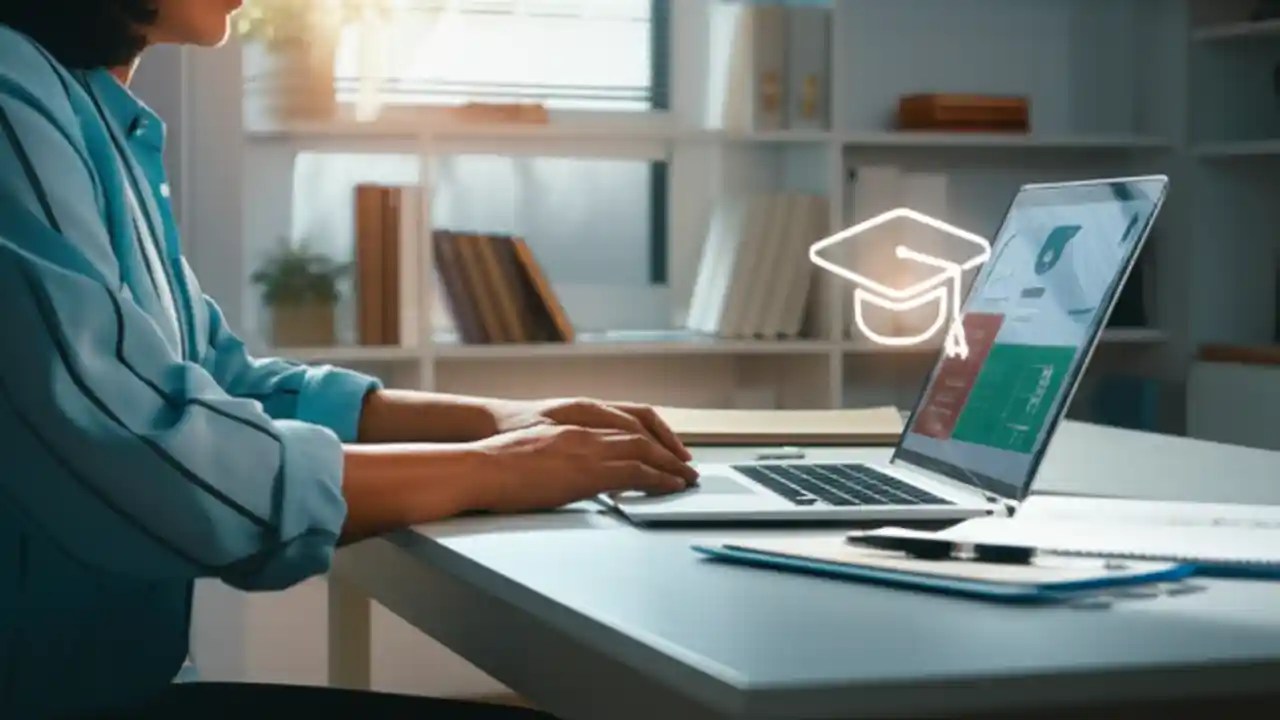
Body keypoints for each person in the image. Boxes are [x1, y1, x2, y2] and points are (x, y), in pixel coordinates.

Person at [0, 1, 699, 717]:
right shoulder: (11, 101)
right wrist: (494, 469)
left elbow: (221, 384)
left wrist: (497, 420)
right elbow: (151, 460)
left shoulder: (81, 107)